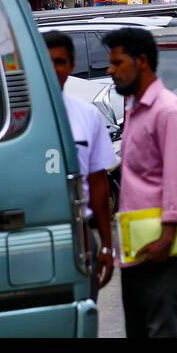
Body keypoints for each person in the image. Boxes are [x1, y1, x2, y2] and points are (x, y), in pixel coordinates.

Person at [103, 26, 177, 338]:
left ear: (141, 61)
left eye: (117, 63)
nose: (110, 70)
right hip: (137, 245)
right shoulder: (134, 108)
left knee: (164, 331)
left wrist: (167, 235)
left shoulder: (167, 110)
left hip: (161, 248)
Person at [44, 31, 115, 297]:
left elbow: (98, 184)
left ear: (71, 66)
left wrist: (107, 245)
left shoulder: (88, 117)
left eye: (60, 62)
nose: (54, 69)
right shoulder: (17, 118)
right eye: (47, 61)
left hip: (80, 235)